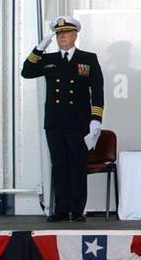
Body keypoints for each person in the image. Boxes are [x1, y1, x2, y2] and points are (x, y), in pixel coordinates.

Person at [21, 16, 104, 223]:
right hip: (55, 122)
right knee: (59, 166)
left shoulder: (88, 58)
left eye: (66, 33)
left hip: (78, 122)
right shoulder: (49, 59)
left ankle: (77, 211)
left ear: (75, 34)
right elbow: (26, 71)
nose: (62, 37)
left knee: (77, 166)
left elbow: (98, 90)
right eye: (58, 34)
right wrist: (39, 49)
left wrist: (96, 119)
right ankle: (60, 209)